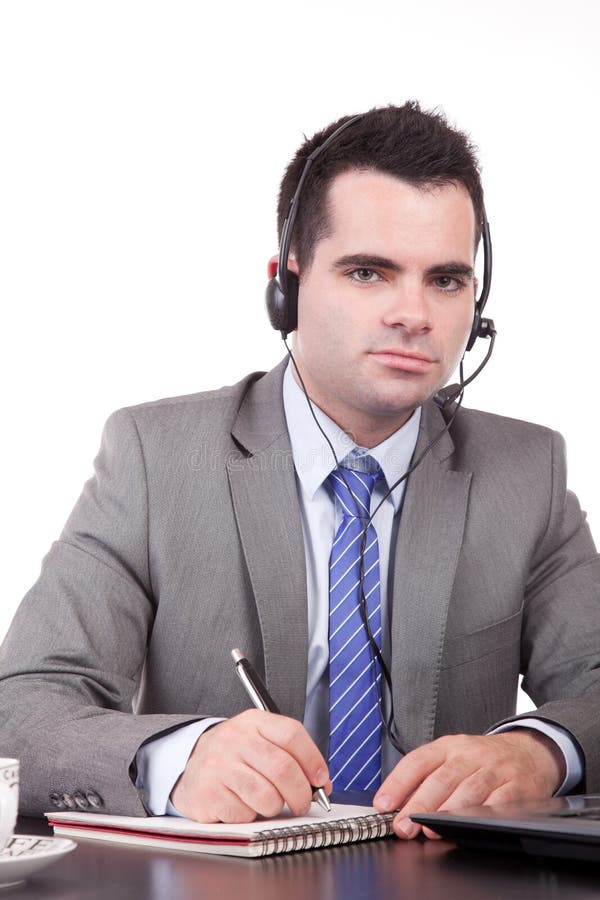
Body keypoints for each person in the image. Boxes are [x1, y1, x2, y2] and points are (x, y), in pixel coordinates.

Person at [1, 102, 599, 842]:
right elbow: (23, 707)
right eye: (369, 271)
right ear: (285, 286)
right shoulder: (154, 457)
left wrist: (537, 751)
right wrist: (178, 756)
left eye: (445, 281)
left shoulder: (527, 471)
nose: (414, 313)